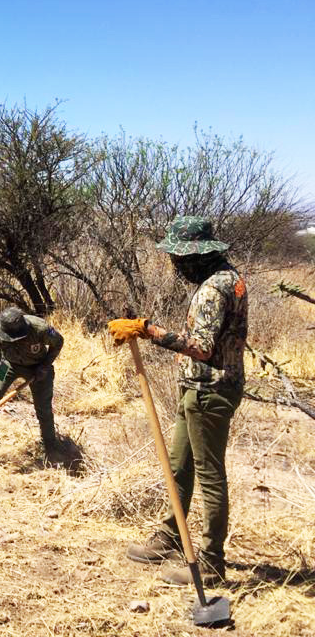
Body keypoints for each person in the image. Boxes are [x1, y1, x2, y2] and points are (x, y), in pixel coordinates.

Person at [109, 217, 247, 587]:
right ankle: (172, 536)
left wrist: (148, 329)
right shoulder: (226, 277)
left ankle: (211, 563)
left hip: (209, 390)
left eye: (180, 257)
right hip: (200, 387)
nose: (176, 265)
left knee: (209, 475)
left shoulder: (213, 290)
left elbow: (201, 348)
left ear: (198, 256)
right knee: (179, 466)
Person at [0, 306, 64, 464]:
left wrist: (45, 365)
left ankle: (50, 448)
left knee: (43, 408)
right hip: (8, 365)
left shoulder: (39, 328)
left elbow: (59, 341)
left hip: (38, 368)